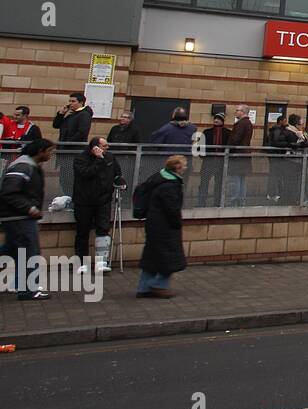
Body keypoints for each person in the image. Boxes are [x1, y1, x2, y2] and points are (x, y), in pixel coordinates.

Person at [0, 139, 56, 299]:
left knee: (11, 250)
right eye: (49, 151)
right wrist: (29, 208)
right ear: (40, 151)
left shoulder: (30, 166)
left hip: (17, 217)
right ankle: (28, 290)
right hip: (19, 217)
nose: (50, 155)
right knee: (30, 252)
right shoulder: (23, 166)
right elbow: (9, 192)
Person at [135, 154, 188, 299]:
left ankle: (143, 287)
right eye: (183, 165)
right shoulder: (170, 185)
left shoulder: (158, 178)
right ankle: (158, 285)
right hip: (164, 226)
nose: (185, 167)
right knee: (169, 258)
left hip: (153, 223)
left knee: (152, 257)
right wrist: (177, 223)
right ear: (177, 167)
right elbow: (172, 209)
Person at [72, 136, 124, 273]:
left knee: (103, 229)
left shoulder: (110, 157)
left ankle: (102, 261)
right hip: (84, 201)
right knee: (82, 231)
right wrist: (98, 160)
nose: (107, 148)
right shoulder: (81, 159)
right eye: (104, 146)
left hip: (103, 200)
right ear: (95, 147)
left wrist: (119, 180)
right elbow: (86, 174)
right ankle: (81, 262)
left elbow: (117, 172)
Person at [52, 91, 93, 196]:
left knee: (70, 178)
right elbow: (56, 125)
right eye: (70, 101)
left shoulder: (84, 115)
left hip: (73, 151)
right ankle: (68, 196)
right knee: (64, 178)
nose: (70, 103)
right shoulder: (71, 115)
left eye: (73, 101)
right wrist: (61, 114)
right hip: (65, 151)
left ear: (81, 102)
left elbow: (82, 132)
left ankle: (72, 198)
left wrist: (67, 143)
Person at [196, 113, 229, 208]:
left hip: (221, 162)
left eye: (218, 119)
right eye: (215, 119)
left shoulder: (227, 133)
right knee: (204, 183)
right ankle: (201, 203)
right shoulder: (207, 132)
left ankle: (217, 203)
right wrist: (204, 156)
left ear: (222, 121)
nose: (216, 121)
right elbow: (199, 146)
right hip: (208, 161)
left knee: (219, 184)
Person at [225, 104, 254, 207]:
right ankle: (241, 200)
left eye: (237, 110)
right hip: (244, 154)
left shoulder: (241, 123)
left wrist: (228, 148)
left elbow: (236, 138)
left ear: (243, 112)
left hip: (237, 155)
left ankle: (234, 200)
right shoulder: (248, 123)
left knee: (235, 178)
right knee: (241, 179)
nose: (235, 112)